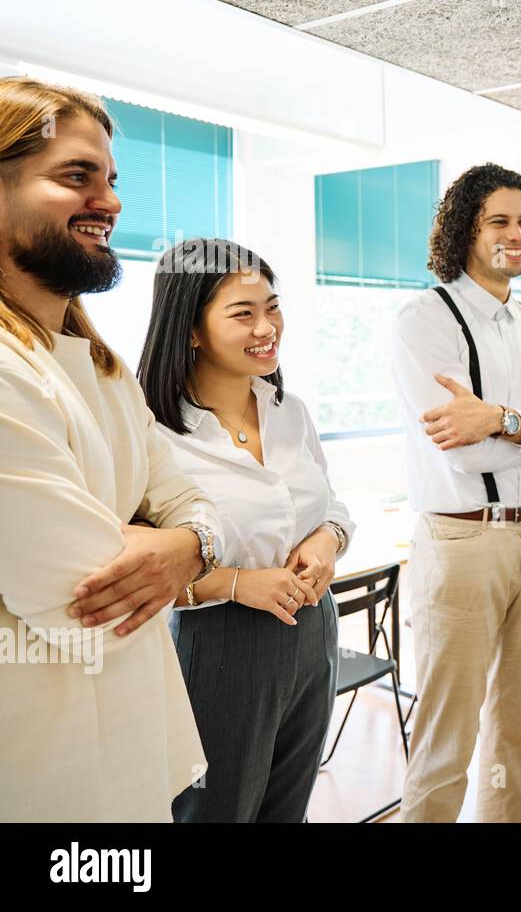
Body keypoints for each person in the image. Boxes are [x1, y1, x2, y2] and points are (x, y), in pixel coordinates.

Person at [0, 77, 222, 821]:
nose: (111, 202)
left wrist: (184, 545)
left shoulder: (102, 368)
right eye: (75, 176)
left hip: (130, 757)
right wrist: (183, 545)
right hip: (38, 775)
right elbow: (82, 601)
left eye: (112, 180)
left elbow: (193, 506)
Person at [393, 162, 521, 822]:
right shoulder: (425, 320)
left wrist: (501, 417)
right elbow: (461, 442)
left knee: (519, 730)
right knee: (448, 739)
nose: (516, 233)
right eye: (498, 220)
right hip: (463, 540)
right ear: (464, 230)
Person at [137, 238, 354, 822]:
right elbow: (131, 570)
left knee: (288, 810)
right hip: (219, 641)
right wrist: (233, 582)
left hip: (313, 630)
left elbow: (332, 505)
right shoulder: (151, 433)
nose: (268, 327)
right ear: (191, 330)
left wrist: (327, 538)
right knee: (216, 813)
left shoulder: (290, 411)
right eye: (243, 313)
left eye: (273, 306)